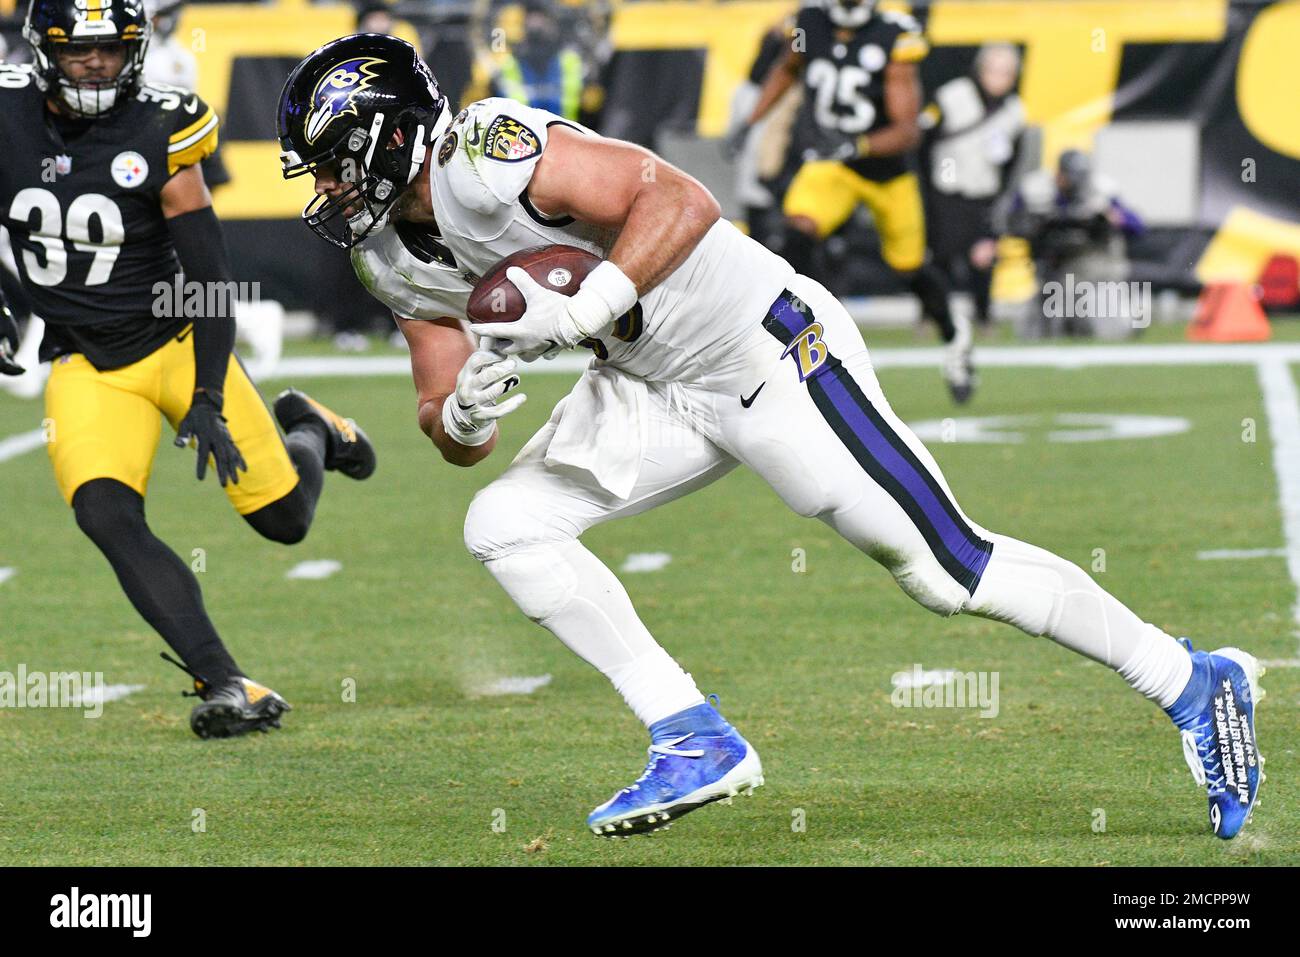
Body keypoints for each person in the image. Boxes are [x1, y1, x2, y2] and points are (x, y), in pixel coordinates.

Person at [277, 33, 1263, 839]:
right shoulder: (389, 264)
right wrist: (462, 414)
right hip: (649, 387)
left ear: (388, 133)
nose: (322, 185)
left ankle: (1189, 680)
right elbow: (446, 421)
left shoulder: (491, 158)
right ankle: (688, 733)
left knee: (942, 571)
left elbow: (679, 199)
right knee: (503, 522)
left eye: (330, 159)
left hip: (763, 352)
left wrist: (598, 301)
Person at [0, 0, 377, 738]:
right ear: (42, 50)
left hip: (177, 340)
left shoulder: (161, 122)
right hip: (86, 359)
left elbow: (208, 275)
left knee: (285, 520)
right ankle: (226, 679)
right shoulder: (7, 110)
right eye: (79, 51)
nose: (98, 65)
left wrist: (206, 392)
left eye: (114, 50)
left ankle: (313, 431)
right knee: (104, 513)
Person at [740, 0, 975, 402]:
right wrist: (750, 121)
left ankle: (956, 338)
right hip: (834, 164)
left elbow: (906, 131)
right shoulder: (809, 22)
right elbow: (786, 69)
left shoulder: (892, 37)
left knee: (909, 267)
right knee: (799, 228)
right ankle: (803, 338)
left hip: (886, 171)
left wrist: (856, 144)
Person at [921, 42, 1025, 330]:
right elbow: (924, 141)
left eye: (1006, 73)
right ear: (980, 70)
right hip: (947, 191)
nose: (998, 79)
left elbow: (1011, 160)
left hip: (984, 193)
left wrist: (1002, 198)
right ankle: (932, 315)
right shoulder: (952, 96)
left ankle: (983, 316)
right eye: (993, 71)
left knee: (984, 258)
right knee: (940, 257)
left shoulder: (1014, 110)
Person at [1009, 149, 1146, 337]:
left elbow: (1137, 225)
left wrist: (1113, 218)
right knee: (1035, 333)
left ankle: (1124, 315)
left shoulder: (1101, 191)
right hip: (1055, 272)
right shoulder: (1037, 190)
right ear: (1059, 173)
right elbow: (1011, 222)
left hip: (1096, 273)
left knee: (1112, 330)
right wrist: (1037, 225)